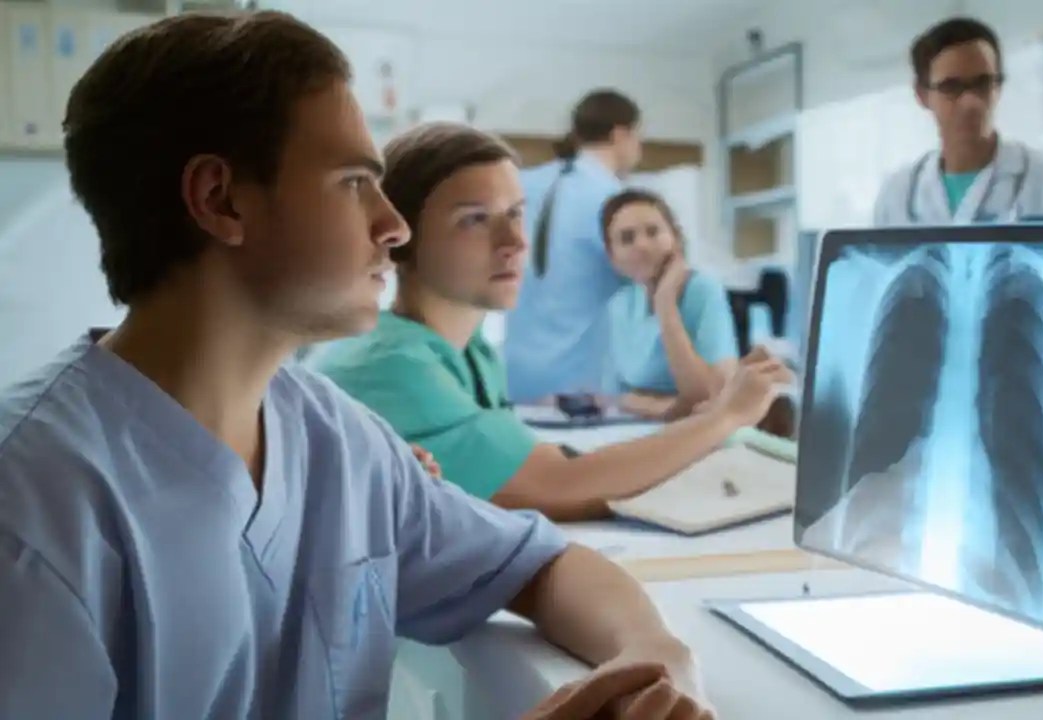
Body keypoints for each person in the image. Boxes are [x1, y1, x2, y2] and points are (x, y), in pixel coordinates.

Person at [0, 13, 715, 719]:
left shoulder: (340, 442)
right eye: (353, 182)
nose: (393, 225)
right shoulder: (34, 506)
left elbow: (545, 565)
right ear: (220, 200)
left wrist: (653, 653)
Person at [311, 123, 792, 521]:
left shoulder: (470, 350)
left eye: (517, 214)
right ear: (400, 237)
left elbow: (525, 481)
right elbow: (557, 487)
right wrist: (728, 415)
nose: (516, 241)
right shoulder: (393, 363)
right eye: (475, 219)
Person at [873, 17, 1043, 226]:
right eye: (951, 87)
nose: (970, 102)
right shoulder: (898, 195)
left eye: (982, 83)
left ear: (999, 86)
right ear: (922, 95)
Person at [503, 90, 640, 403]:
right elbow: (647, 278)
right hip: (580, 384)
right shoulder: (612, 200)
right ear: (621, 135)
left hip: (515, 375)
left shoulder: (524, 184)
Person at [600, 189, 739, 420]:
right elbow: (615, 397)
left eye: (653, 232)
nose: (642, 245)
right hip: (640, 431)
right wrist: (669, 407)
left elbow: (711, 397)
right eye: (627, 238)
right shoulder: (620, 306)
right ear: (612, 257)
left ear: (676, 238)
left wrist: (666, 304)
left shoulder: (703, 291)